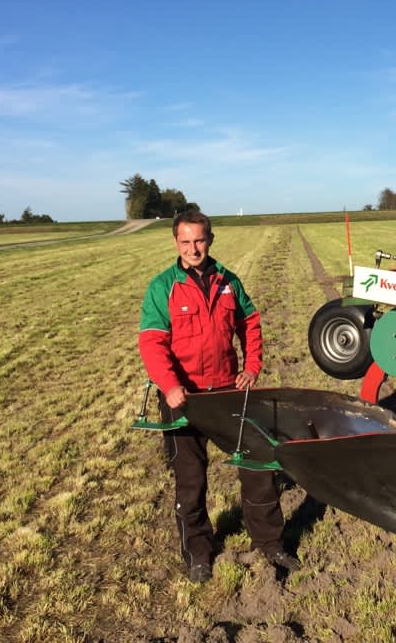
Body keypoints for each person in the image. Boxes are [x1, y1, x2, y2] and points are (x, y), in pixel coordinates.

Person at [138, 210, 299, 583]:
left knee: (259, 463)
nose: (193, 248)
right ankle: (198, 552)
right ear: (176, 243)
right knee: (191, 478)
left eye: (199, 240)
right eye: (185, 242)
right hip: (185, 398)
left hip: (228, 391)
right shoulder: (163, 287)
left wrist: (252, 367)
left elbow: (250, 323)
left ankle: (270, 543)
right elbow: (152, 343)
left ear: (210, 239)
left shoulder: (228, 281)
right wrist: (169, 384)